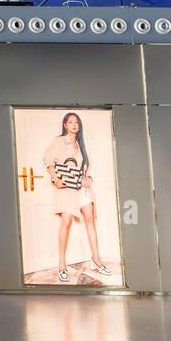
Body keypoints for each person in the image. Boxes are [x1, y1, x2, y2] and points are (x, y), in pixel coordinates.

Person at [42, 112, 113, 282]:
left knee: (90, 221)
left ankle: (96, 259)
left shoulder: (80, 144)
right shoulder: (59, 140)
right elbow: (47, 159)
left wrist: (89, 179)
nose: (74, 124)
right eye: (70, 122)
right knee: (66, 223)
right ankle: (62, 264)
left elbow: (84, 168)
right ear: (65, 125)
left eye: (77, 122)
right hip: (68, 189)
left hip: (83, 190)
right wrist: (55, 178)